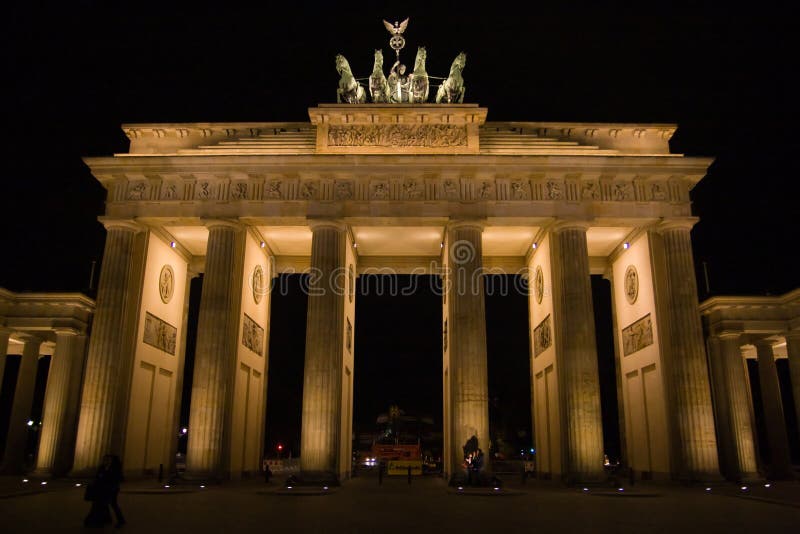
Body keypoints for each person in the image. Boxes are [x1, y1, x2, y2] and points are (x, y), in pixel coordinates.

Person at [84, 454, 125, 528]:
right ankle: (104, 519)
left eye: (108, 460)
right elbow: (97, 477)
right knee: (102, 504)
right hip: (102, 489)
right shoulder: (102, 468)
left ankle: (120, 519)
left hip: (112, 489)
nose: (106, 461)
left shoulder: (115, 468)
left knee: (112, 504)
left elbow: (118, 478)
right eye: (105, 459)